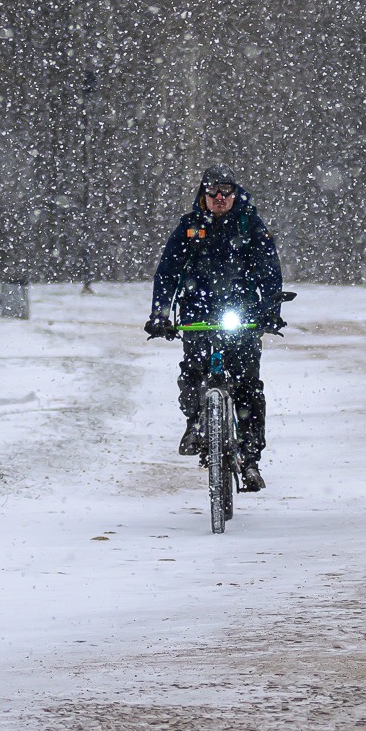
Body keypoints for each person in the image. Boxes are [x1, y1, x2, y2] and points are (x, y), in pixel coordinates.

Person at [146, 165, 285, 491]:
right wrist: (160, 314)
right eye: (213, 192)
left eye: (226, 192)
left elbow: (269, 270)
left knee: (248, 387)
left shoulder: (249, 225)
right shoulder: (190, 227)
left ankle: (250, 460)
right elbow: (167, 273)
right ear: (203, 195)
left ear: (235, 194)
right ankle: (195, 423)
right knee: (193, 372)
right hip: (197, 316)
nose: (220, 198)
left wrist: (271, 311)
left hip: (242, 316)